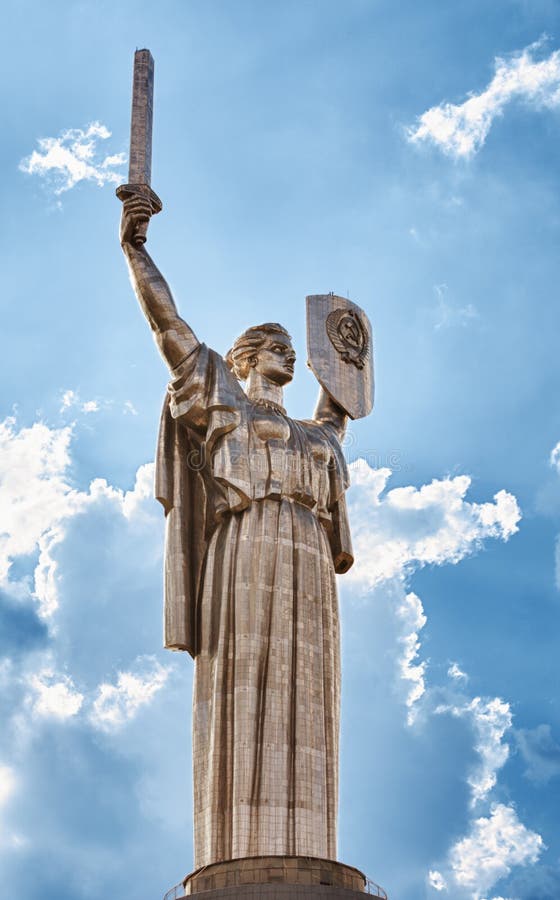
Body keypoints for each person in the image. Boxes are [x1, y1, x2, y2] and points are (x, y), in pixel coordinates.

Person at [119, 197, 354, 868]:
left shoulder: (318, 434)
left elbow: (346, 395)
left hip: (308, 555)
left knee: (306, 691)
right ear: (244, 357)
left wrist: (340, 363)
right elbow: (170, 327)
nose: (287, 353)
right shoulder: (222, 400)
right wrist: (136, 250)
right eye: (274, 345)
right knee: (244, 678)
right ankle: (242, 853)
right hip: (244, 542)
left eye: (290, 346)